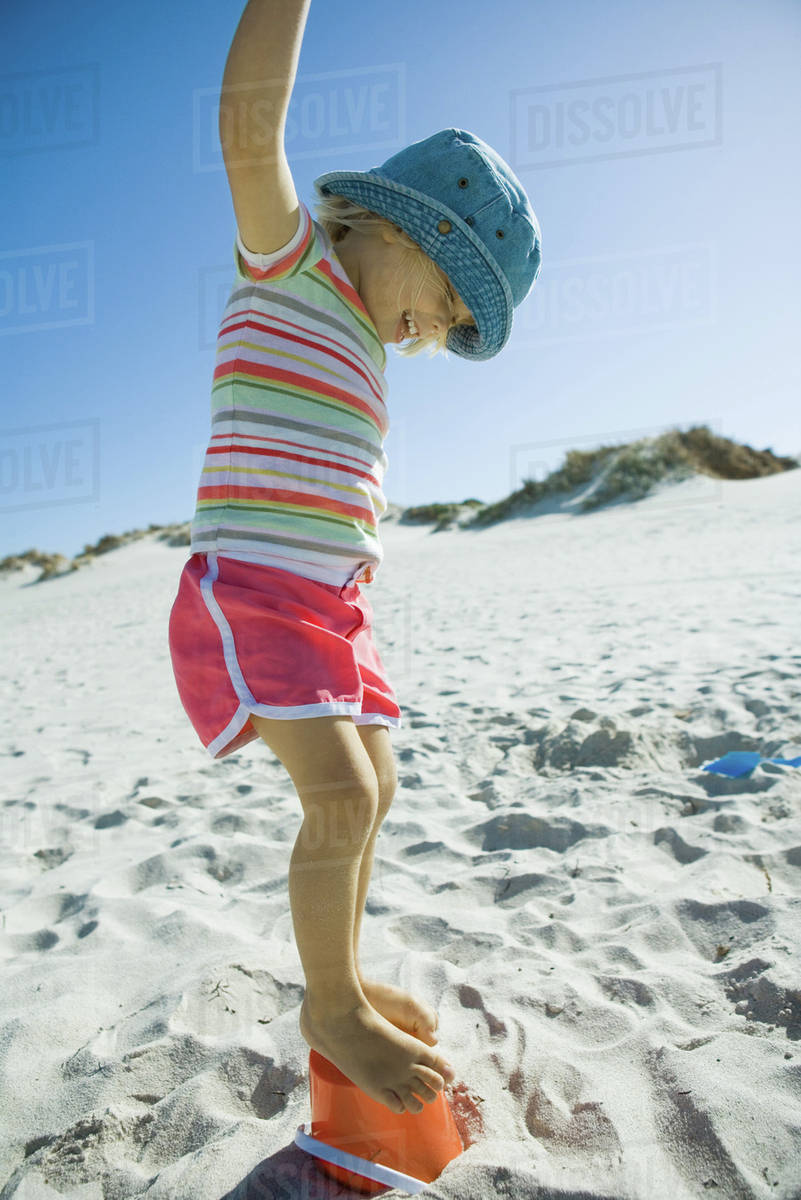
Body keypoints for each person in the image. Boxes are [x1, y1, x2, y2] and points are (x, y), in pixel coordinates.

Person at [168, 0, 542, 1117]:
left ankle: (345, 980)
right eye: (436, 310)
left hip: (334, 602)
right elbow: (249, 130)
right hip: (257, 590)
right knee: (334, 796)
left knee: (375, 786)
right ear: (402, 230)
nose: (426, 338)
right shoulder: (291, 267)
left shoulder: (371, 337)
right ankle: (327, 1005)